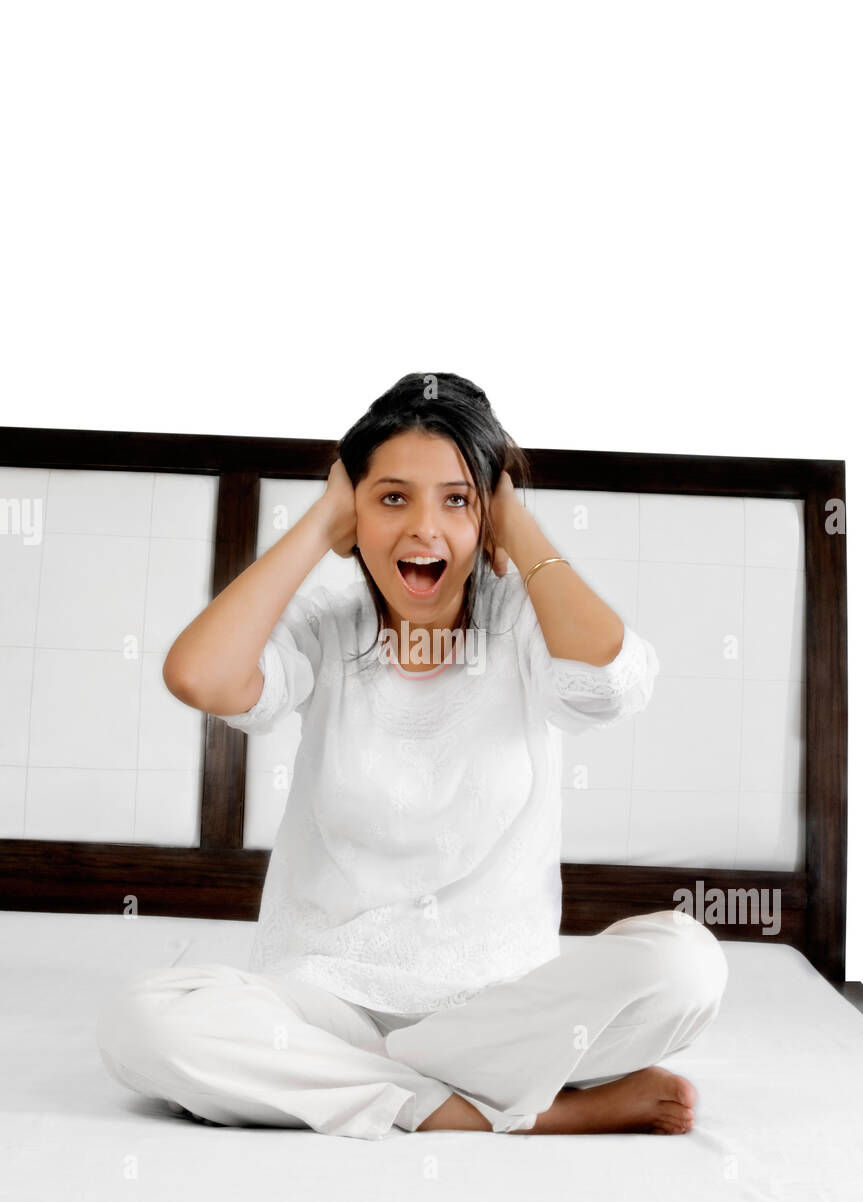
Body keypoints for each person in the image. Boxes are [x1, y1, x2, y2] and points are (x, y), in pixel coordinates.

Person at [96, 372, 728, 1140]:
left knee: (687, 965)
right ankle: (509, 1111)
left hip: (502, 1009)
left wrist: (515, 526)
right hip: (328, 1005)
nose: (423, 528)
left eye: (457, 500)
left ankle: (382, 1091)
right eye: (390, 497)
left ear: (489, 516)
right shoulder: (327, 628)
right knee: (147, 1022)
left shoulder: (526, 626)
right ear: (353, 512)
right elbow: (200, 676)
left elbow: (607, 682)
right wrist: (321, 517)